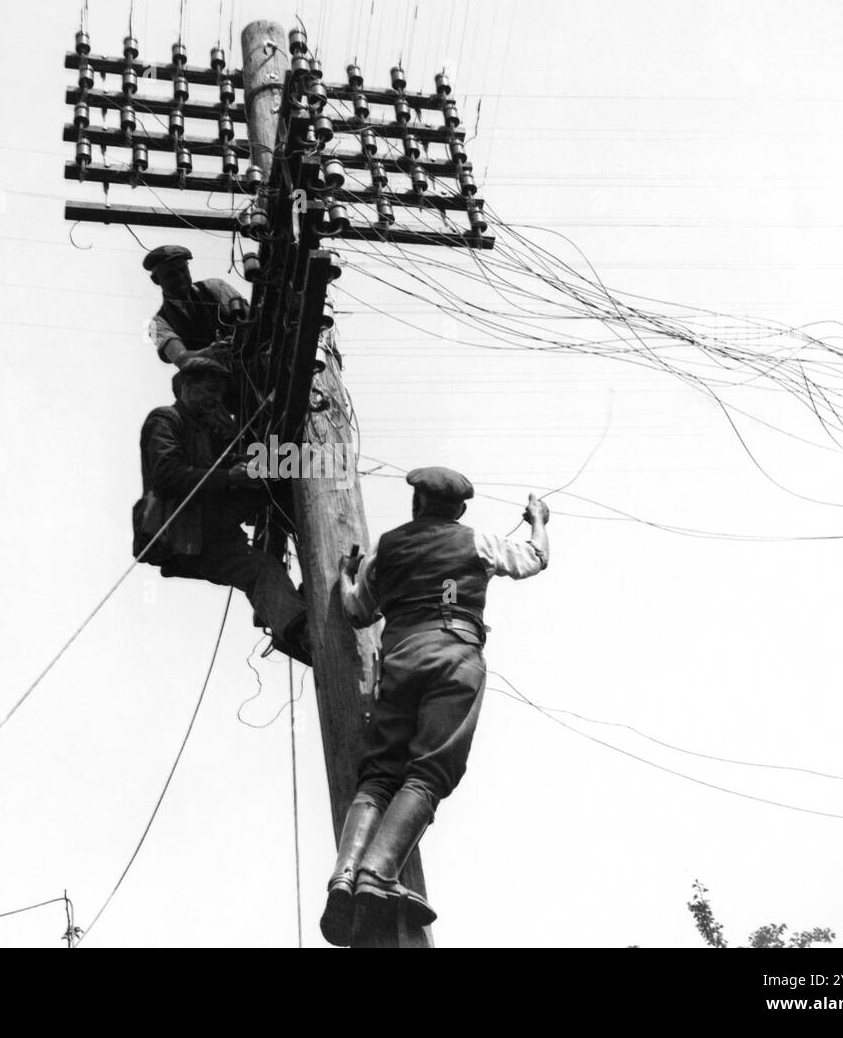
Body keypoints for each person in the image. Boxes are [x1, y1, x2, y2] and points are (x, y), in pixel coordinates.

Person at [319, 466, 551, 946]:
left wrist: (344, 579)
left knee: (380, 774)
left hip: (402, 659)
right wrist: (537, 520)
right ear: (460, 509)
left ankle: (345, 874)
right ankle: (378, 875)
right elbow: (534, 559)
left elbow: (358, 611)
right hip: (454, 658)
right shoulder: (478, 541)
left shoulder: (388, 547)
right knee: (428, 772)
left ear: (416, 504)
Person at [133, 356, 311, 665]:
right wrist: (230, 476)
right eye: (209, 391)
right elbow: (167, 474)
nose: (215, 400)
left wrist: (253, 463)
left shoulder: (208, 430)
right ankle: (302, 633)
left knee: (263, 566)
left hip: (211, 532)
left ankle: (299, 628)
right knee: (269, 488)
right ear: (185, 386)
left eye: (218, 394)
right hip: (184, 533)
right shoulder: (165, 420)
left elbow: (229, 461)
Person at [143, 245, 247, 370]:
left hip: (247, 357)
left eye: (183, 270)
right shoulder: (156, 325)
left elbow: (250, 318)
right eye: (171, 275)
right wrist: (209, 353)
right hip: (212, 379)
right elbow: (181, 359)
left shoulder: (215, 287)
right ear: (156, 280)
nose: (180, 278)